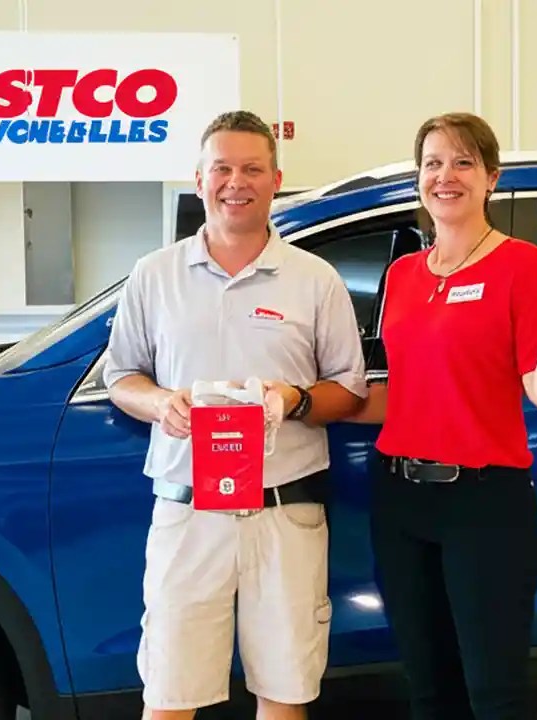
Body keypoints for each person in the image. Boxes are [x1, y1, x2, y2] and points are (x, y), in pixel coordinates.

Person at [102, 110, 369, 720]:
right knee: (170, 694)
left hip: (284, 512)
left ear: (277, 179)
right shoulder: (154, 275)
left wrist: (294, 400)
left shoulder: (315, 279)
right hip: (186, 511)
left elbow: (349, 390)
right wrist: (159, 401)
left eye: (252, 169)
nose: (235, 182)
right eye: (221, 168)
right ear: (198, 179)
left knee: (284, 692)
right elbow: (121, 375)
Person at [348, 112, 537, 719]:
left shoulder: (521, 266)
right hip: (400, 500)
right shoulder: (402, 276)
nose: (444, 176)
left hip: (483, 504)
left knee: (493, 695)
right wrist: (299, 402)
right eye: (431, 163)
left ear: (490, 178)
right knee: (428, 690)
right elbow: (405, 390)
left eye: (462, 162)